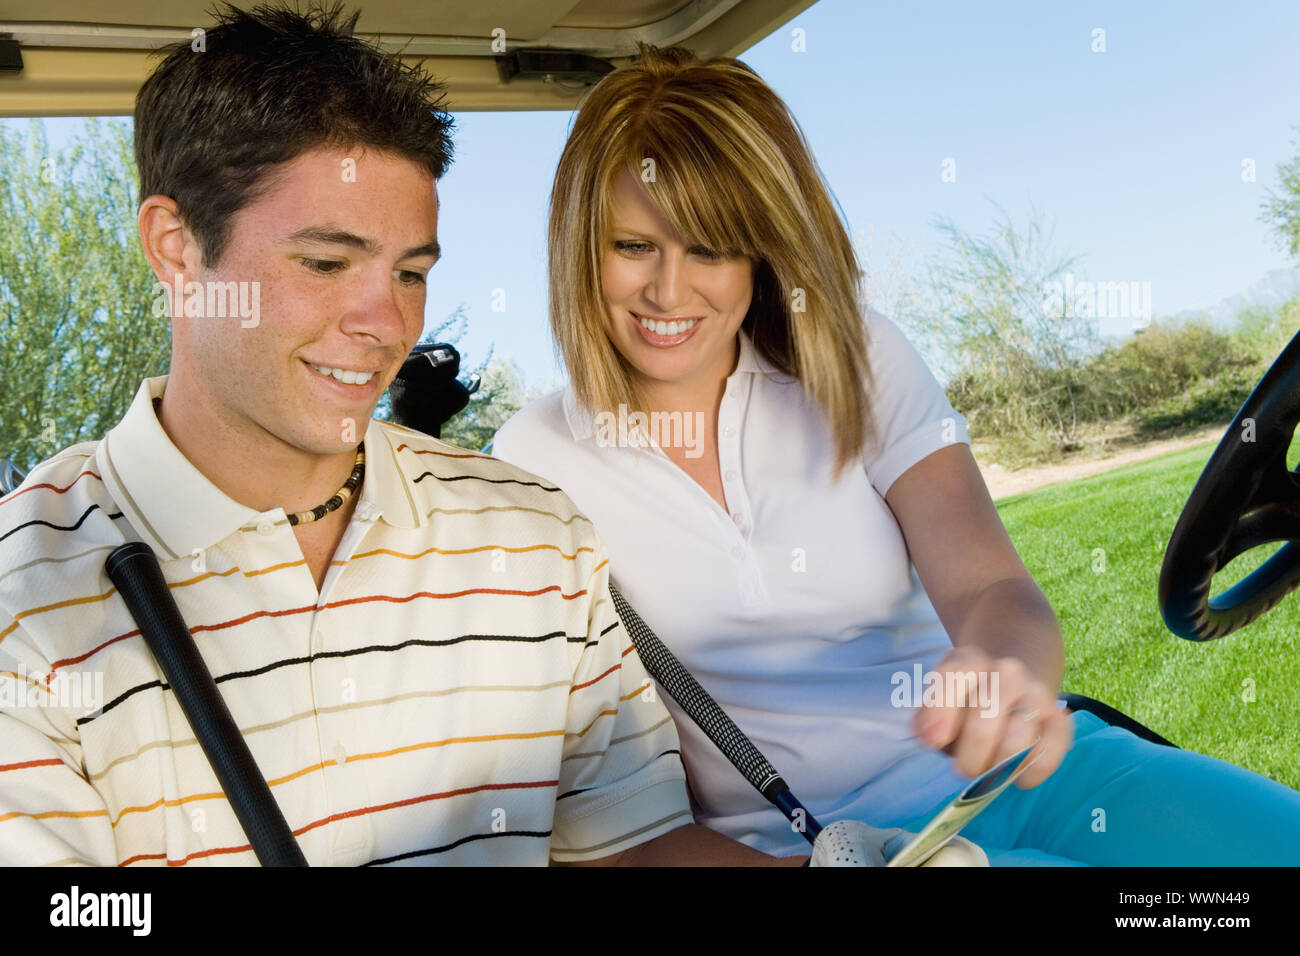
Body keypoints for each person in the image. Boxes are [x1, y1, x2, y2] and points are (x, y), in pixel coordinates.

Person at [0, 5, 803, 867]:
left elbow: (635, 851)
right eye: (325, 264)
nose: (387, 323)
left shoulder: (536, 537)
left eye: (411, 273)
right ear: (175, 245)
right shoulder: (25, 603)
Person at [491, 43, 1300, 864]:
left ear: (762, 252)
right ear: (579, 247)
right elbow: (598, 820)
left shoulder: (857, 357)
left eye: (709, 249)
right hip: (810, 853)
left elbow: (991, 585)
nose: (669, 292)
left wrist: (1000, 667)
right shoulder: (532, 465)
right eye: (634, 247)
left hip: (1022, 783)